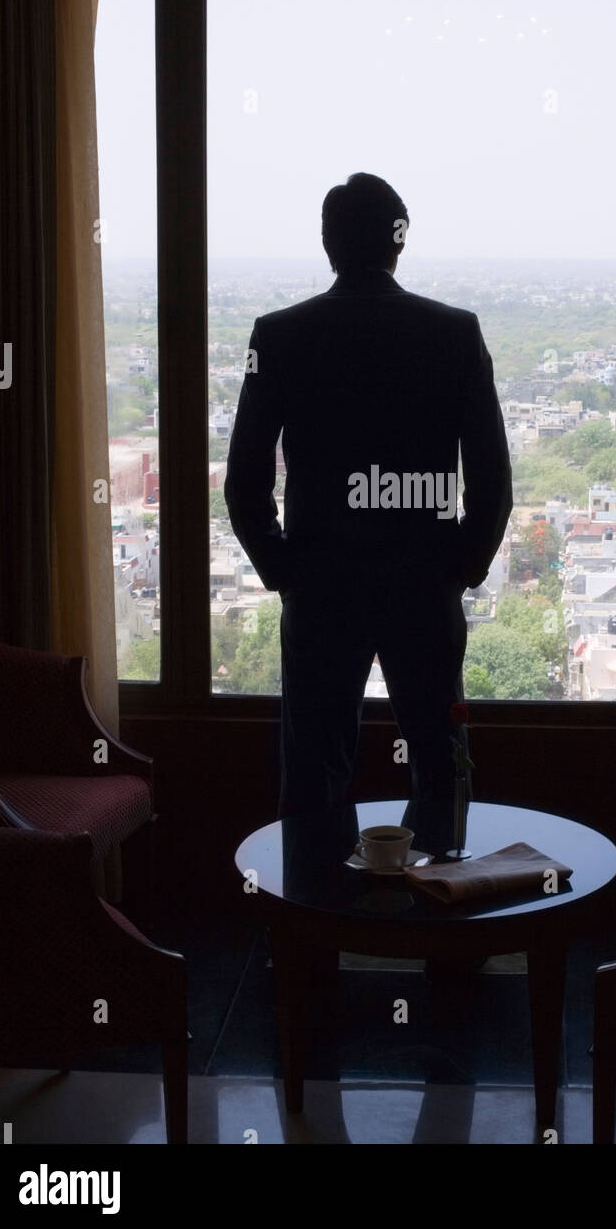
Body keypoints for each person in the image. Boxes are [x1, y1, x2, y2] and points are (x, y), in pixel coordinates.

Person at [225, 172, 513, 854]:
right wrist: (461, 568)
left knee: (314, 769)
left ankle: (308, 942)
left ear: (327, 244)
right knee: (440, 762)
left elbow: (243, 482)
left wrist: (283, 568)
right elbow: (493, 481)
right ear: (399, 244)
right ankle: (447, 940)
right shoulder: (454, 333)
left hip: (322, 585)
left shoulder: (280, 336)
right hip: (424, 582)